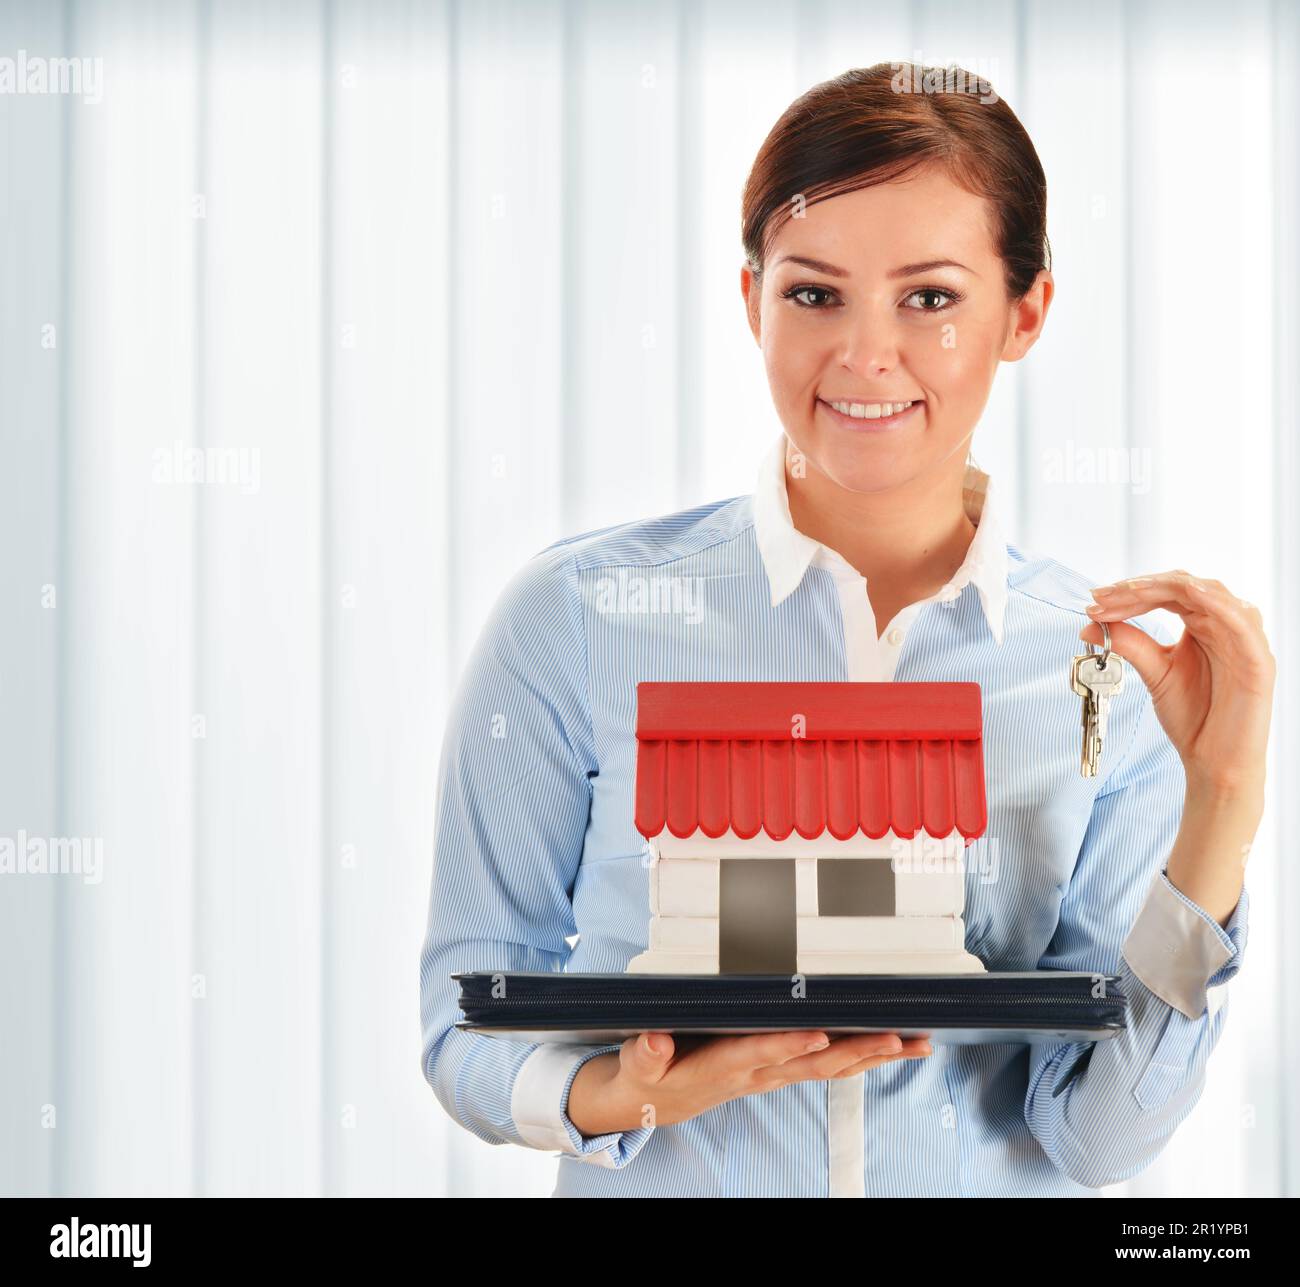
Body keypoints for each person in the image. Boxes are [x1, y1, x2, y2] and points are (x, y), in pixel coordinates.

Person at [418, 62, 1274, 1197]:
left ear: (1024, 312)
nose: (866, 356)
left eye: (929, 298)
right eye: (813, 294)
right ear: (751, 300)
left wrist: (1220, 803)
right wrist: (622, 1096)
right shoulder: (574, 620)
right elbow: (463, 1023)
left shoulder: (1107, 672)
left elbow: (1099, 1140)